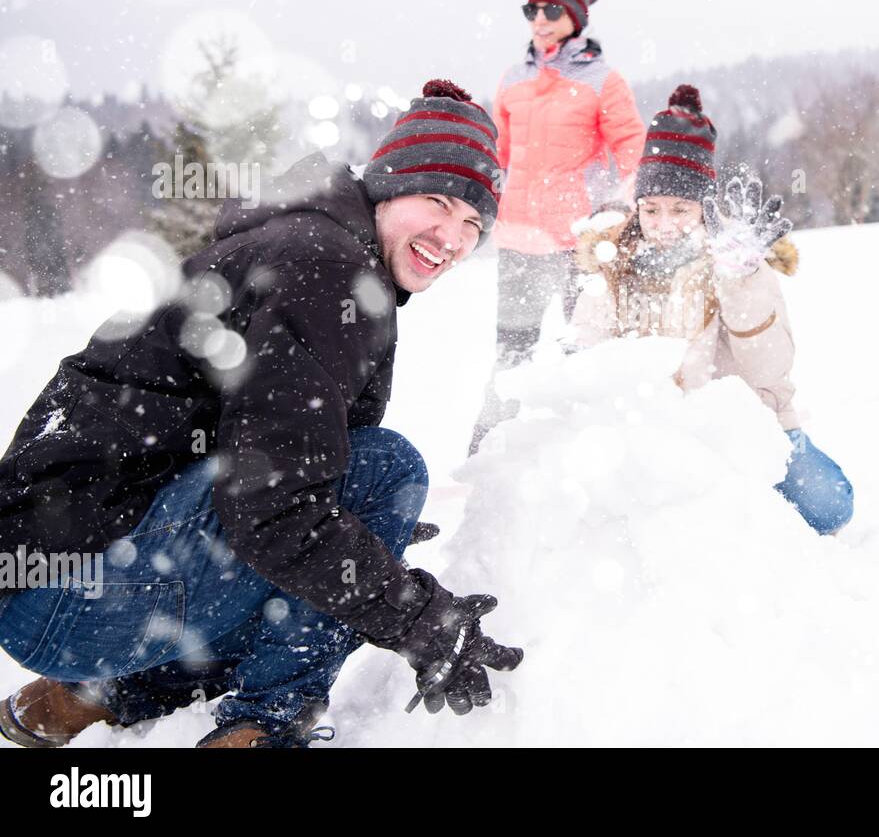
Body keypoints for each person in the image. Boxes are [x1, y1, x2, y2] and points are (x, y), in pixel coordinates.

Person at [0, 79, 523, 749]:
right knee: (386, 471)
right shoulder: (326, 266)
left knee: (331, 539)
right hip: (75, 594)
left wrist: (354, 532)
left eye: (473, 226)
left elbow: (273, 473)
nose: (452, 237)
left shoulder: (315, 247)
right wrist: (416, 614)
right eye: (438, 203)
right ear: (389, 188)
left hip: (48, 589)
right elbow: (274, 510)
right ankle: (266, 729)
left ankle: (87, 697)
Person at [570, 85, 854, 534]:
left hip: (741, 422)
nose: (665, 226)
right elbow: (588, 361)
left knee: (828, 506)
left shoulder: (734, 261)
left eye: (681, 209)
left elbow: (769, 370)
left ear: (705, 209)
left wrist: (741, 281)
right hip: (648, 427)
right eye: (652, 210)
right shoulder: (612, 265)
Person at [468, 0, 646, 455]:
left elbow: (633, 149)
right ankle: (487, 458)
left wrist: (623, 212)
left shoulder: (603, 81)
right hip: (519, 238)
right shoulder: (513, 79)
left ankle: (593, 455)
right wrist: (480, 204)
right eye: (532, 10)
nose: (539, 20)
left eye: (551, 10)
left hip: (578, 244)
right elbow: (497, 156)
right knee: (512, 353)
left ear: (575, 16)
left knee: (586, 350)